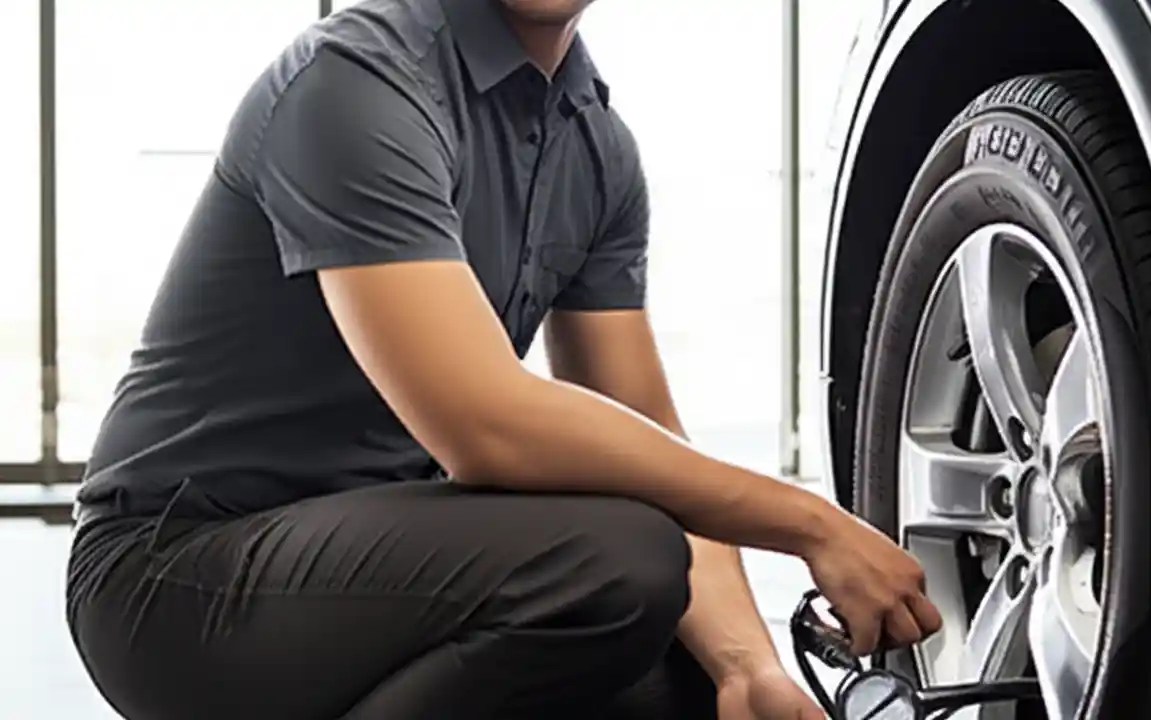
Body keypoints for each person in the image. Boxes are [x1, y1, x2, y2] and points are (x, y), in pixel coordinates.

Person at [64, 1, 942, 718]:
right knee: (614, 566)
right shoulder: (361, 82)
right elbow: (485, 428)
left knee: (685, 682)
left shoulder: (595, 144)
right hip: (175, 576)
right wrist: (811, 523)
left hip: (381, 559)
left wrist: (751, 669)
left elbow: (650, 439)